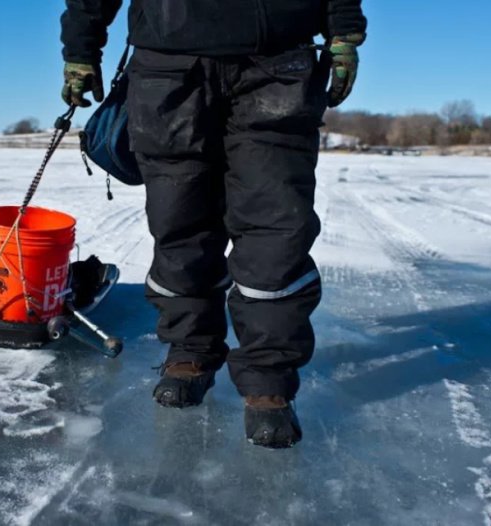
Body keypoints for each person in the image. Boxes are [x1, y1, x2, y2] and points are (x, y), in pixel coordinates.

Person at [60, 1, 366, 449]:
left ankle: (269, 377)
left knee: (276, 226)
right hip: (169, 66)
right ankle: (190, 350)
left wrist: (344, 33)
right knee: (179, 220)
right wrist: (81, 48)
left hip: (277, 62)